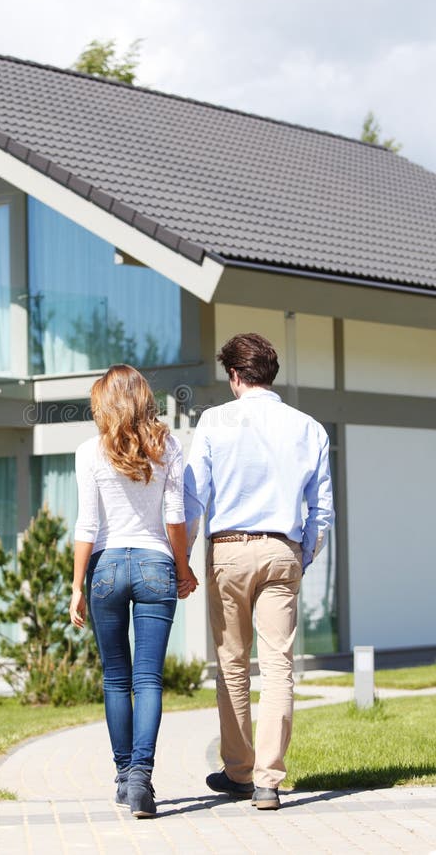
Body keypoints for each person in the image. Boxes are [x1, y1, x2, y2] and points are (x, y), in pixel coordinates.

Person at [184, 333, 334, 811]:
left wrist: (181, 559)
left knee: (232, 665)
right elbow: (322, 511)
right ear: (270, 373)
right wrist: (302, 556)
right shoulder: (309, 427)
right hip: (281, 549)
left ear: (234, 376)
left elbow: (192, 499)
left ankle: (239, 773)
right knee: (278, 666)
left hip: (227, 550)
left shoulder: (212, 422)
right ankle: (270, 781)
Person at [70, 364, 198, 818]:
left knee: (116, 680)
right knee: (148, 680)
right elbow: (175, 518)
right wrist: (183, 568)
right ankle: (141, 780)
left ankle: (124, 776)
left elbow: (87, 524)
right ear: (145, 398)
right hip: (154, 566)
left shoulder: (89, 452)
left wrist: (76, 587)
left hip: (105, 567)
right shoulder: (168, 446)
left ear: (103, 402)